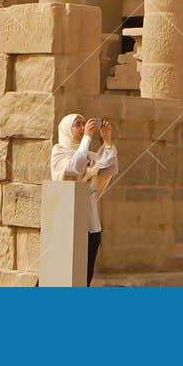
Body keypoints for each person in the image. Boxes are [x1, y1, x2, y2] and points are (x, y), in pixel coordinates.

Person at [50, 113, 118, 284]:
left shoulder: (88, 154)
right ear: (67, 129)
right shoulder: (59, 151)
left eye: (83, 124)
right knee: (54, 275)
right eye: (77, 124)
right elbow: (73, 169)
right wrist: (87, 137)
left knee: (83, 278)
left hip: (90, 225)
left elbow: (111, 167)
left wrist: (107, 141)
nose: (82, 127)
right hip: (66, 225)